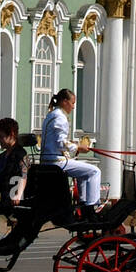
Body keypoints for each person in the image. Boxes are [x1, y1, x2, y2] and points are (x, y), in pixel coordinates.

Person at [41, 89, 101, 217]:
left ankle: (84, 203)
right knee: (95, 171)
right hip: (56, 161)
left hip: (48, 160)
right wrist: (79, 147)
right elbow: (60, 143)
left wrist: (73, 144)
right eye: (72, 103)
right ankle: (90, 209)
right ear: (64, 102)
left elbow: (58, 140)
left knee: (84, 174)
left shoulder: (51, 115)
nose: (73, 107)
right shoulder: (60, 118)